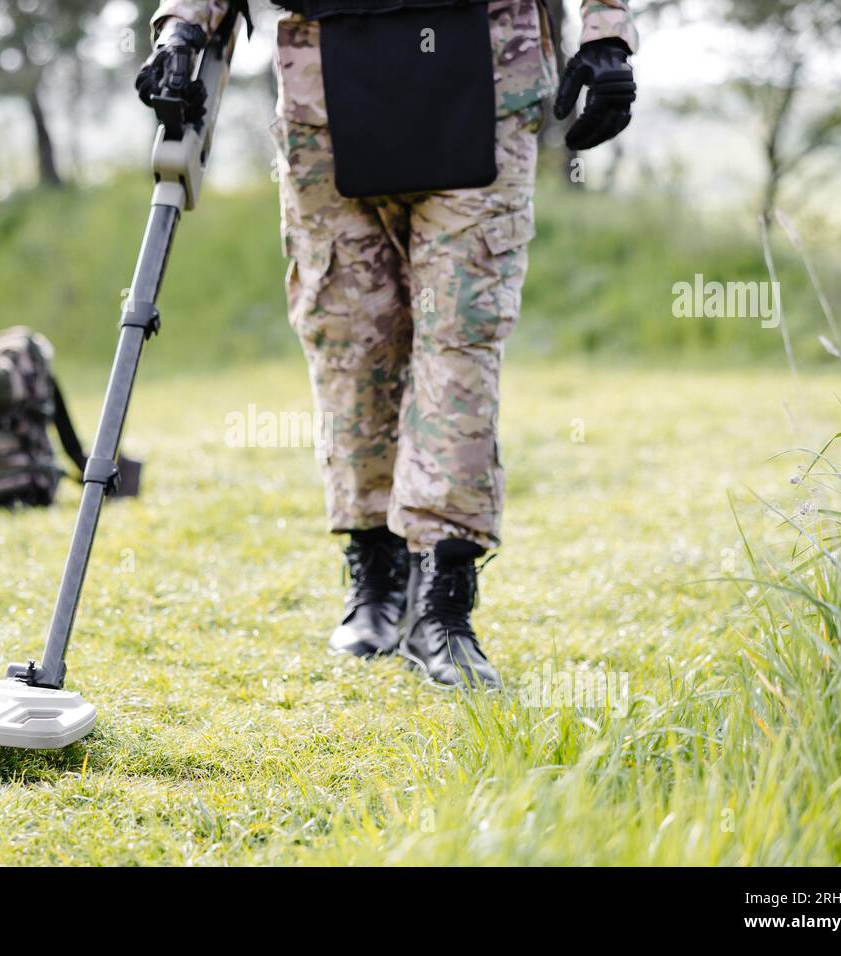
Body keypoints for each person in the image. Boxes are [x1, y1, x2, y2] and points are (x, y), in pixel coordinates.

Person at [137, 0, 638, 688]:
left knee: (460, 337)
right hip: (326, 85)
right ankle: (377, 574)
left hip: (484, 68)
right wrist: (181, 28)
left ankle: (444, 602)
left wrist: (609, 34)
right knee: (350, 338)